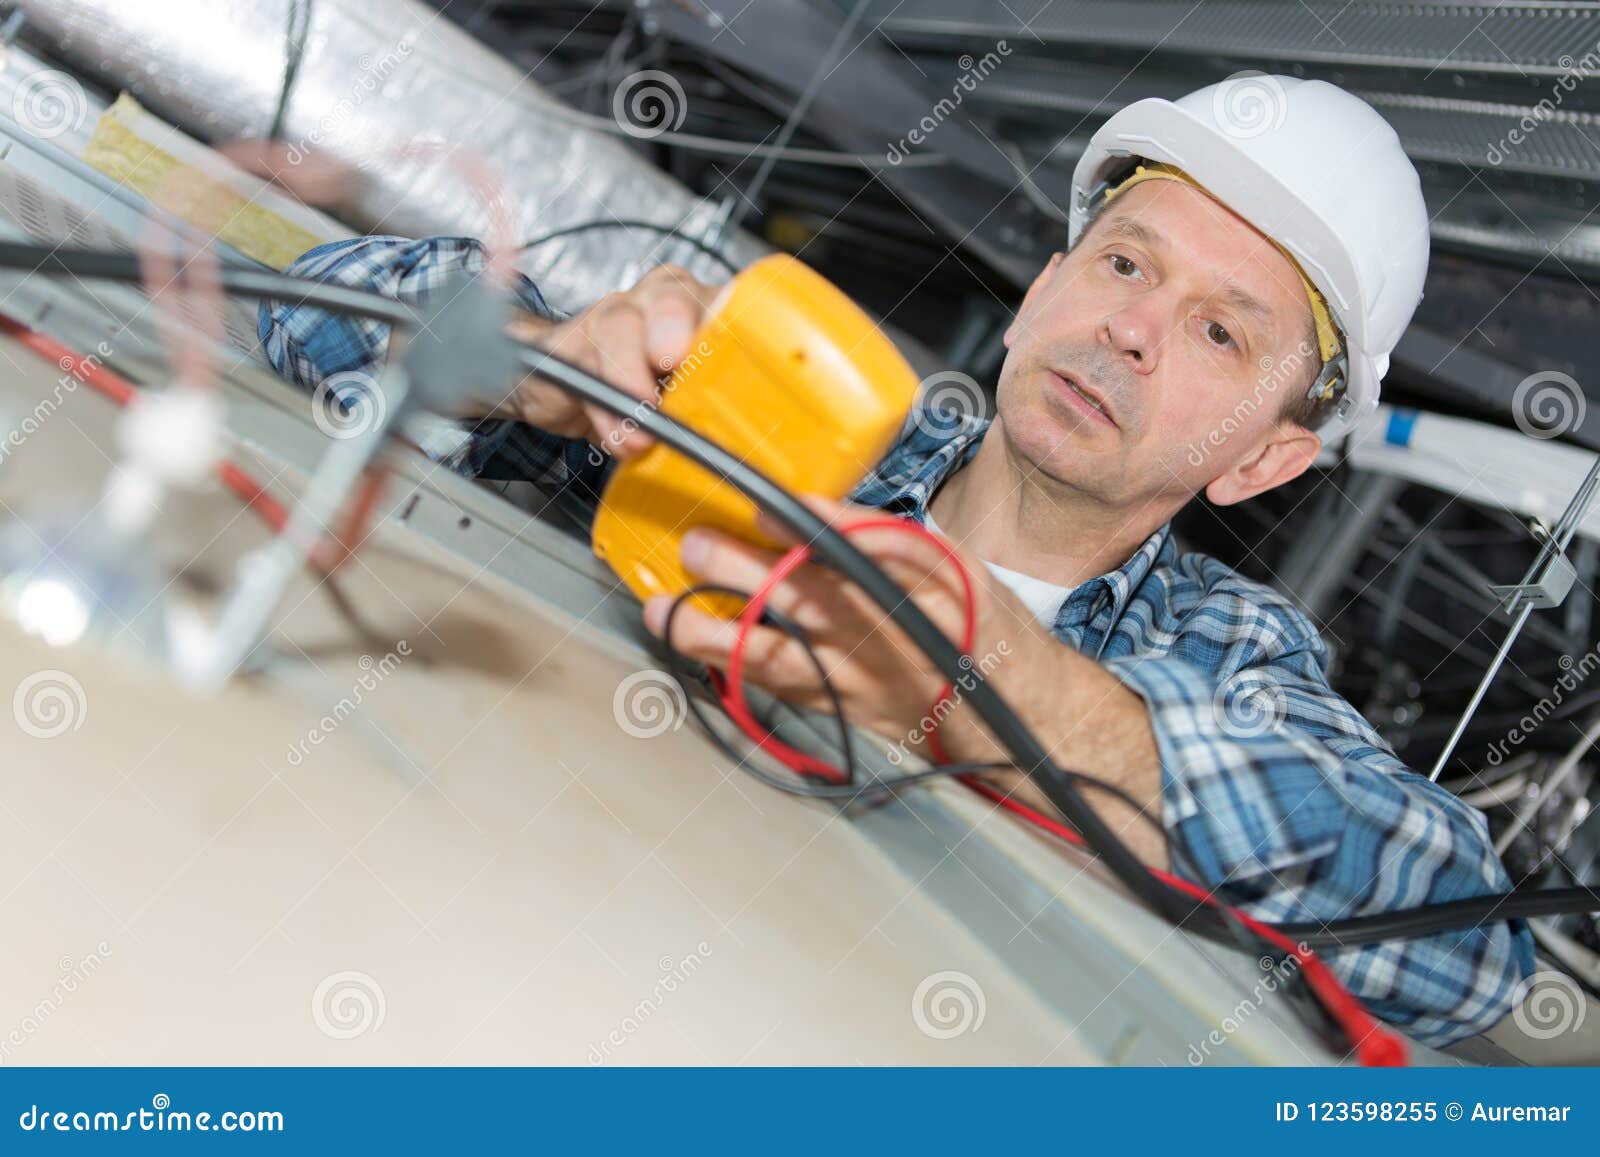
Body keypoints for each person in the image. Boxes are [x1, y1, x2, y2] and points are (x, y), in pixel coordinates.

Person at [259, 76, 1534, 1047]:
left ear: (1262, 459)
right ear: (1044, 288)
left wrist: (1000, 682)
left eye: (1216, 329)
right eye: (1125, 262)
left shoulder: (1222, 652)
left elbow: (1467, 939)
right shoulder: (799, 422)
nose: (1132, 329)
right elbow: (313, 302)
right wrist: (535, 368)